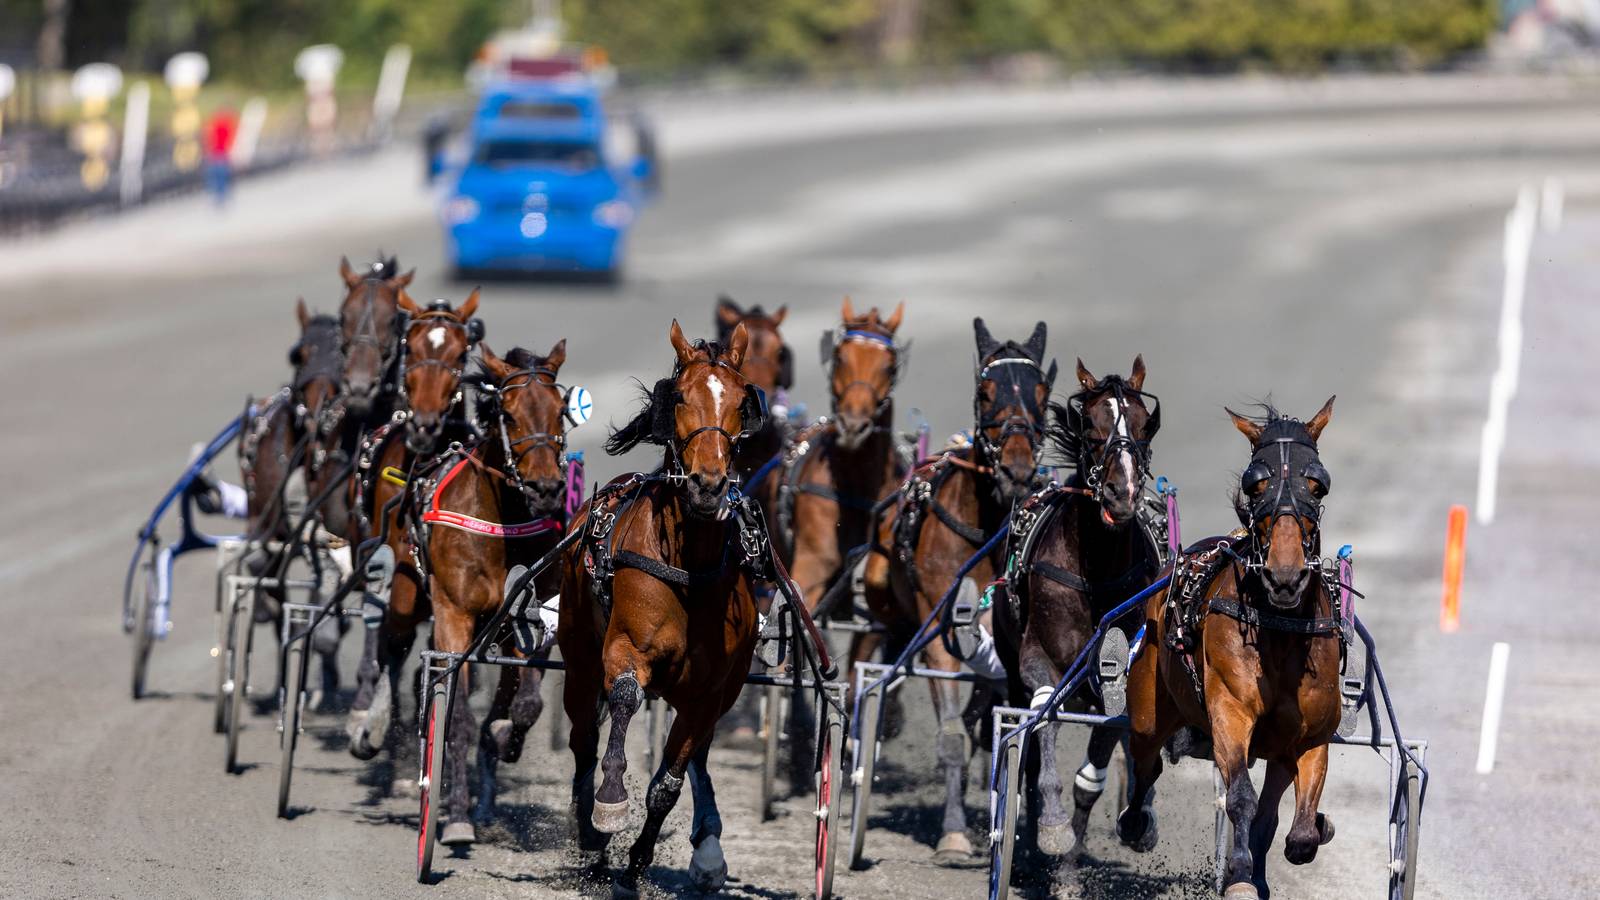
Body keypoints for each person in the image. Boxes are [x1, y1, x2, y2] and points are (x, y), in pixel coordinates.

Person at [203, 106, 239, 206]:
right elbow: (230, 140)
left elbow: (209, 138)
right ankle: (221, 195)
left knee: (217, 176)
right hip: (221, 154)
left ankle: (219, 195)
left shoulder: (214, 123)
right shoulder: (226, 124)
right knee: (221, 175)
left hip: (216, 153)